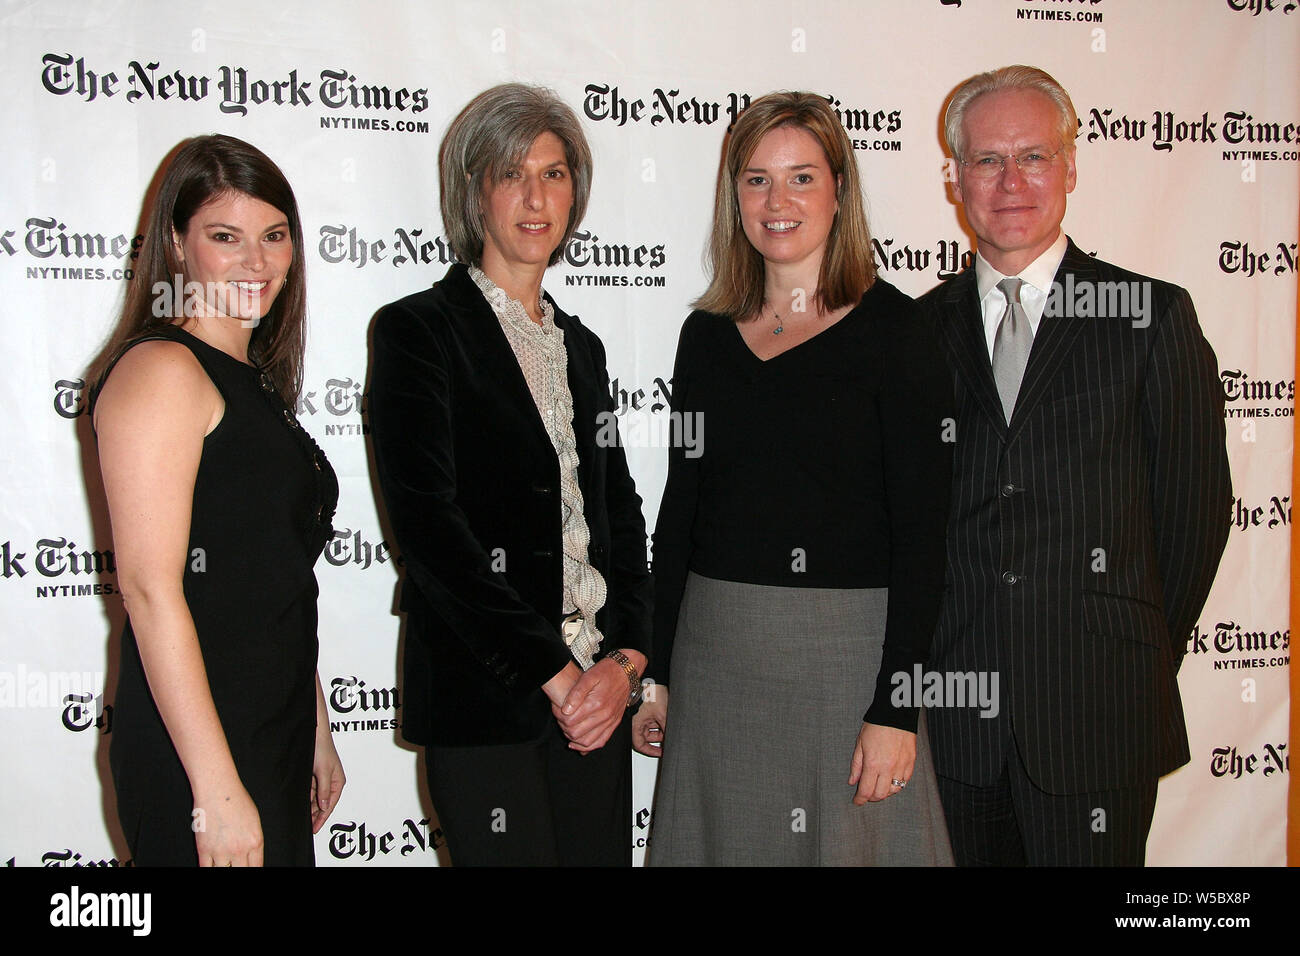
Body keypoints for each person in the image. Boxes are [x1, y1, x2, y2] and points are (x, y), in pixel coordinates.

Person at [916, 65, 1232, 866]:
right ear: (955, 179)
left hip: (1102, 715)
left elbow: (1194, 518)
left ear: (1072, 166)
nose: (1011, 181)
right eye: (988, 160)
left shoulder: (1151, 316)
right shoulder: (912, 333)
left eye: (1034, 156)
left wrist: (1129, 651)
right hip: (953, 726)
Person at [635, 91, 955, 865]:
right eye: (755, 179)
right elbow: (681, 514)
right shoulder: (704, 336)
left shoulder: (899, 332)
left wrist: (897, 709)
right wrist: (662, 675)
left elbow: (923, 537)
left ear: (840, 190)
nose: (777, 201)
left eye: (802, 177)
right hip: (716, 660)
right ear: (733, 196)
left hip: (847, 671)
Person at [368, 83, 652, 867]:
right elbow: (431, 535)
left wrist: (625, 665)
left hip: (596, 700)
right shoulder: (417, 332)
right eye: (511, 173)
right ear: (475, 193)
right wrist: (559, 677)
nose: (536, 196)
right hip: (489, 701)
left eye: (555, 174)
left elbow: (620, 524)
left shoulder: (582, 348)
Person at [88, 134, 343, 866]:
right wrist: (215, 786)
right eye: (225, 237)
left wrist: (317, 730)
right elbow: (147, 587)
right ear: (176, 242)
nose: (257, 263)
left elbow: (272, 578)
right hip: (197, 742)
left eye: (274, 235)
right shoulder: (161, 370)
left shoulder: (256, 383)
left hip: (274, 729)